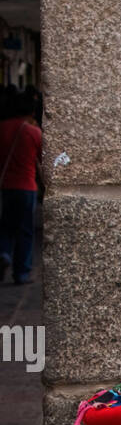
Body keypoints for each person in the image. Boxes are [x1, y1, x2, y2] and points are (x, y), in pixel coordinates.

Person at [0, 88, 43, 284]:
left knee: (5, 226)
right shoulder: (33, 131)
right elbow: (43, 158)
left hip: (4, 185)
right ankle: (22, 272)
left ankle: (3, 252)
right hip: (26, 186)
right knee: (25, 230)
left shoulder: (2, 127)